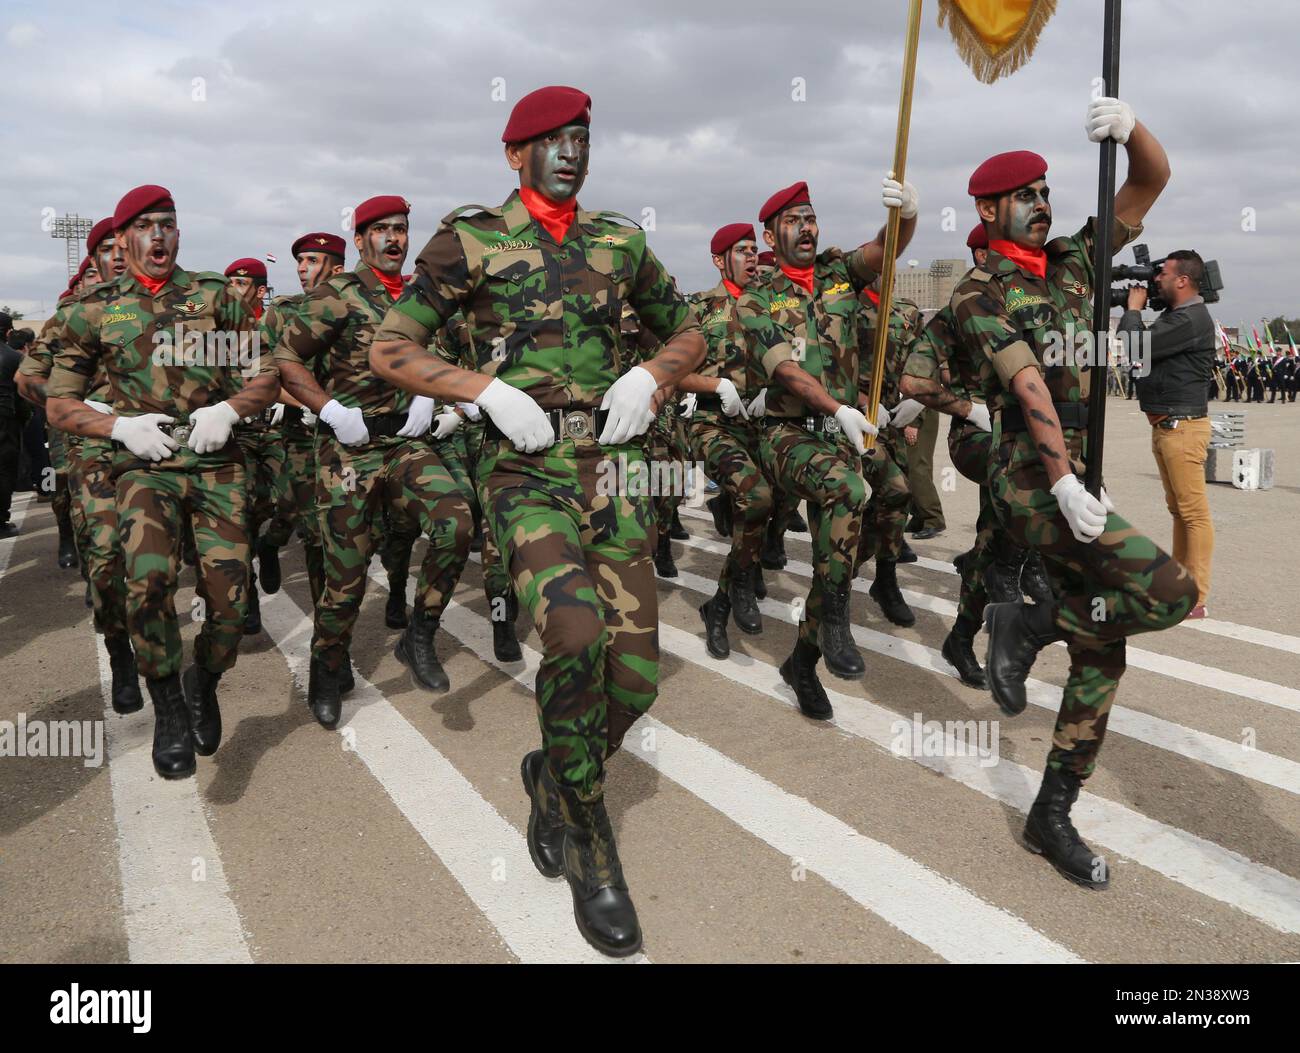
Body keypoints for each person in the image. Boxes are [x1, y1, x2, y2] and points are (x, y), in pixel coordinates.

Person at [369, 85, 706, 957]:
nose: (571, 151)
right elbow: (392, 346)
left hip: (612, 465)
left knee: (634, 680)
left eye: (582, 138)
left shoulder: (620, 239)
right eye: (552, 140)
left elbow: (691, 330)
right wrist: (484, 389)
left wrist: (652, 374)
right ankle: (591, 843)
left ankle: (554, 776)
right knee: (572, 627)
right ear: (515, 154)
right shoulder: (472, 237)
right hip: (521, 467)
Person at [953, 97, 1196, 890]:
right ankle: (1024, 619)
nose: (1043, 204)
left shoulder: (1078, 261)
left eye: (1047, 191)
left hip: (1077, 486)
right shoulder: (976, 292)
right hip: (1028, 485)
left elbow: (1153, 179)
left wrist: (1132, 131)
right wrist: (1059, 477)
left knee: (1104, 643)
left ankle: (1050, 810)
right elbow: (1027, 382)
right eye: (1026, 196)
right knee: (1168, 589)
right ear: (988, 210)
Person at [46, 184, 279, 778]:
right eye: (145, 225)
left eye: (168, 223)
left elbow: (264, 373)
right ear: (122, 240)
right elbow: (58, 403)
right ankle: (169, 704)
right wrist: (119, 426)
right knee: (145, 580)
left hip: (216, 463)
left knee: (229, 603)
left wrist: (229, 410)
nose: (159, 235)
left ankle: (207, 679)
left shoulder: (213, 298)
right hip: (144, 465)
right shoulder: (92, 310)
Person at [273, 195, 473, 727]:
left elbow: (454, 351)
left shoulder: (419, 295)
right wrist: (330, 409)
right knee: (347, 577)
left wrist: (435, 393)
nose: (394, 239)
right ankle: (327, 663)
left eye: (402, 229)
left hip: (406, 442)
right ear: (360, 240)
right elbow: (286, 358)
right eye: (381, 230)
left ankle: (420, 633)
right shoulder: (336, 296)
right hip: (349, 448)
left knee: (456, 524)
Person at [735, 174, 918, 719]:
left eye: (810, 217)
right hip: (789, 433)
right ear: (771, 235)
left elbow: (886, 251)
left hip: (848, 432)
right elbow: (785, 370)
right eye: (793, 220)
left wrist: (906, 213)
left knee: (892, 493)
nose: (806, 228)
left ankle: (804, 654)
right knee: (846, 491)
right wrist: (837, 408)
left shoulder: (839, 273)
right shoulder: (755, 301)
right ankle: (835, 614)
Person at [677, 223, 771, 658]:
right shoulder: (698, 307)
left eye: (755, 249)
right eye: (742, 250)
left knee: (770, 504)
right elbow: (673, 369)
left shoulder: (772, 302)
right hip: (713, 424)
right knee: (755, 497)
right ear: (719, 260)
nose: (753, 256)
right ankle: (739, 588)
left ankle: (719, 603)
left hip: (766, 422)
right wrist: (716, 387)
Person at [1117, 251, 1215, 618]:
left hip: (1183, 427)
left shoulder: (1192, 317)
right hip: (1168, 426)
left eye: (1164, 274)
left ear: (1183, 280)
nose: (1156, 279)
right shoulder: (1177, 317)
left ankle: (1197, 596)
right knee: (1180, 512)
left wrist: (1132, 309)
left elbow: (1135, 346)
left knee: (1194, 514)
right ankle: (1181, 585)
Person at [224, 257, 284, 633]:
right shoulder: (218, 325)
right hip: (237, 433)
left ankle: (271, 545)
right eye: (229, 282)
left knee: (292, 502)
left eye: (241, 283)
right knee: (239, 512)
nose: (233, 290)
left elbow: (293, 366)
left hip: (278, 428)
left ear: (260, 290)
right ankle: (247, 598)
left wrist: (283, 401)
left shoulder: (279, 322)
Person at [0, 314, 21, 537]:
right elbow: (23, 395)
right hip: (5, 418)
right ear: (7, 332)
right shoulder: (14, 357)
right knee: (4, 470)